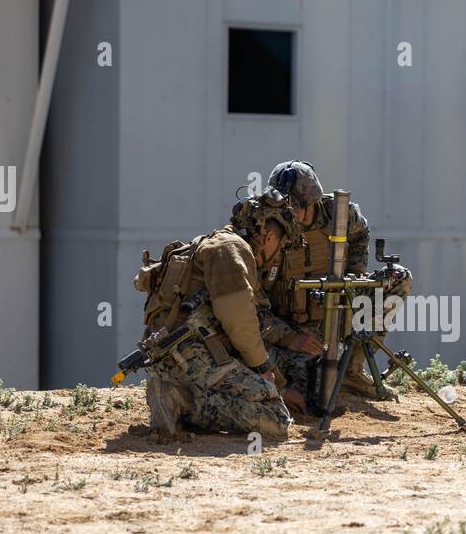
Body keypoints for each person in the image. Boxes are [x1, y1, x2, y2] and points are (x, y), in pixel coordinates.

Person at [135, 190, 310, 437]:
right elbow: (238, 320)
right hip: (190, 354)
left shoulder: (215, 244)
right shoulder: (232, 248)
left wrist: (277, 383)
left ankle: (178, 394)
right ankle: (182, 402)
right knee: (276, 419)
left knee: (269, 393)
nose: (276, 259)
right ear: (269, 237)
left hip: (178, 356)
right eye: (280, 248)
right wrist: (265, 374)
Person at [262, 160, 412, 399]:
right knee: (317, 388)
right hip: (293, 327)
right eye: (282, 204)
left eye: (293, 207)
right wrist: (290, 337)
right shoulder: (269, 226)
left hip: (339, 309)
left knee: (398, 278)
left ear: (311, 203)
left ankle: (353, 368)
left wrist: (354, 278)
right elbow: (254, 303)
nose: (287, 213)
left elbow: (361, 234)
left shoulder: (339, 213)